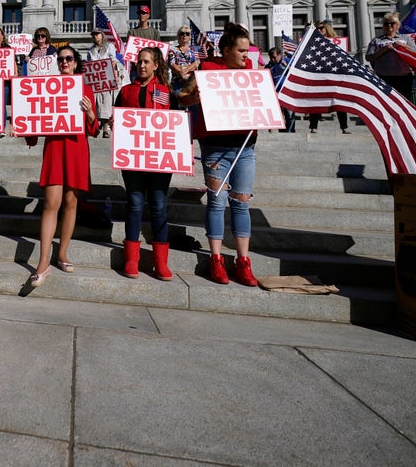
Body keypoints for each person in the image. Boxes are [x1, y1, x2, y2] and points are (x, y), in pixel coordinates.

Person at [178, 22, 259, 287]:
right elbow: (181, 96)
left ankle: (243, 261)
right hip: (215, 147)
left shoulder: (250, 72)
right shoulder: (207, 70)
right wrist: (196, 98)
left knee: (241, 202)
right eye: (241, 50)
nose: (246, 55)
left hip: (245, 146)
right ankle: (216, 259)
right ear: (226, 50)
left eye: (247, 51)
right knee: (216, 202)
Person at [23, 45, 100, 287]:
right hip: (55, 148)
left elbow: (94, 128)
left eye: (68, 58)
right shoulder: (47, 85)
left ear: (76, 63)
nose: (64, 62)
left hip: (77, 148)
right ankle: (43, 261)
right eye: (60, 59)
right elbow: (36, 116)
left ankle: (62, 253)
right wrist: (25, 129)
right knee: (51, 203)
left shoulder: (86, 89)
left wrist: (89, 115)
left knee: (70, 202)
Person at [115, 46, 174, 280]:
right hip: (133, 159)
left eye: (147, 62)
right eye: (139, 61)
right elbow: (118, 117)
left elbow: (176, 123)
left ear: (156, 65)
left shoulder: (166, 91)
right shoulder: (126, 90)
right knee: (135, 203)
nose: (142, 65)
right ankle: (132, 258)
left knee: (159, 205)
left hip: (159, 160)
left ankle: (161, 262)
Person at [307, 21, 349, 134]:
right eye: (317, 29)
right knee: (316, 100)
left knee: (339, 100)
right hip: (318, 74)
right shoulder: (311, 42)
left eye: (321, 28)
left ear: (327, 29)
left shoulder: (336, 42)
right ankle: (313, 126)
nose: (319, 30)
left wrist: (339, 43)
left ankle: (344, 127)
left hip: (333, 74)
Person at [366, 13, 415, 101]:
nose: (389, 25)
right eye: (386, 24)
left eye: (392, 23)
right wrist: (384, 49)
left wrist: (404, 46)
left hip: (403, 77)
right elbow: (369, 57)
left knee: (404, 101)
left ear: (397, 25)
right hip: (383, 77)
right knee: (385, 101)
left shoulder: (405, 38)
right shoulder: (376, 40)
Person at [85, 26, 120, 137]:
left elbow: (113, 62)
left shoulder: (109, 46)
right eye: (94, 34)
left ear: (102, 35)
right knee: (94, 102)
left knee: (106, 101)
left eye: (97, 34)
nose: (96, 36)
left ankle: (106, 128)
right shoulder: (91, 50)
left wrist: (115, 74)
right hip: (95, 80)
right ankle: (95, 127)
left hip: (106, 77)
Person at [265, 47, 296, 132]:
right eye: (271, 57)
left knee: (289, 115)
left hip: (287, 93)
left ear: (279, 55)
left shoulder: (287, 61)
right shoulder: (269, 66)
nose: (273, 59)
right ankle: (282, 132)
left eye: (274, 57)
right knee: (279, 116)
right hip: (276, 94)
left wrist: (286, 66)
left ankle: (290, 131)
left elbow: (294, 73)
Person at [167, 26, 199, 93]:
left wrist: (185, 71)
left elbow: (196, 63)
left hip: (191, 83)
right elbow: (172, 64)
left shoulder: (193, 49)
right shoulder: (173, 49)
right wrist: (181, 73)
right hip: (177, 83)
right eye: (182, 33)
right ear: (178, 36)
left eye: (187, 34)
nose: (185, 35)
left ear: (189, 37)